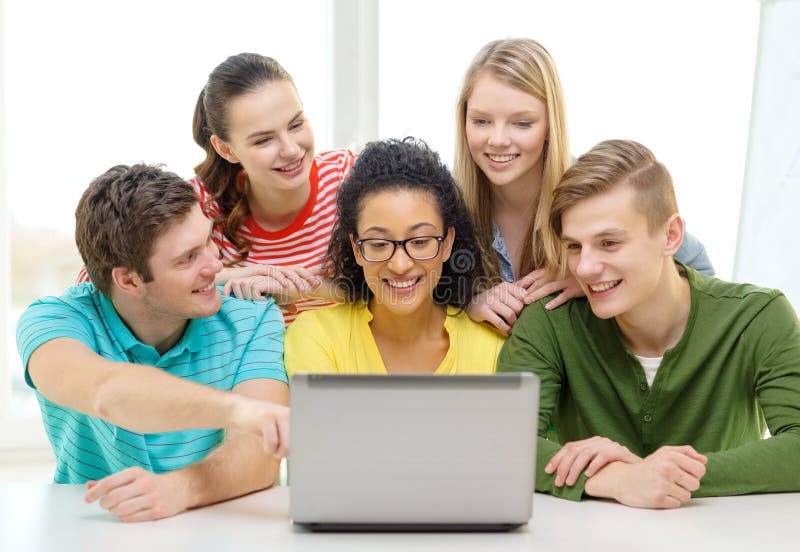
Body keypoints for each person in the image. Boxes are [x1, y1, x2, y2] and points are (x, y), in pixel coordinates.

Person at [497, 139, 800, 508]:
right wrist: (618, 479)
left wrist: (658, 478)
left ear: (671, 235)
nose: (585, 268)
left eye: (609, 243)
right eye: (574, 246)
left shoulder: (758, 316)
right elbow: (502, 444)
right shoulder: (549, 321)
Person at [16, 164, 290, 522]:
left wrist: (179, 489)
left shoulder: (252, 318)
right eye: (187, 258)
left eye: (208, 240)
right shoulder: (54, 322)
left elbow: (259, 456)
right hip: (90, 529)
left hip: (217, 529)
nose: (215, 265)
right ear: (129, 280)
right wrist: (238, 409)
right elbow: (107, 391)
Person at [454, 38, 714, 333]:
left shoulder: (594, 190)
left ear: (551, 125)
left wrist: (593, 277)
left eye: (522, 124)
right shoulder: (443, 201)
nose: (498, 139)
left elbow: (700, 272)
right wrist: (466, 303)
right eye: (481, 121)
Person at [285, 138, 504, 376]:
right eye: (378, 244)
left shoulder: (492, 347)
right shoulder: (316, 337)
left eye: (420, 242)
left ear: (447, 243)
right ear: (357, 249)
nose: (400, 265)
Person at [191, 52, 356, 324]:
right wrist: (242, 276)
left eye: (296, 124)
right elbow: (110, 279)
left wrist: (300, 287)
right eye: (264, 140)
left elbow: (399, 286)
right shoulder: (199, 205)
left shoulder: (350, 177)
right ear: (225, 149)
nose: (291, 150)